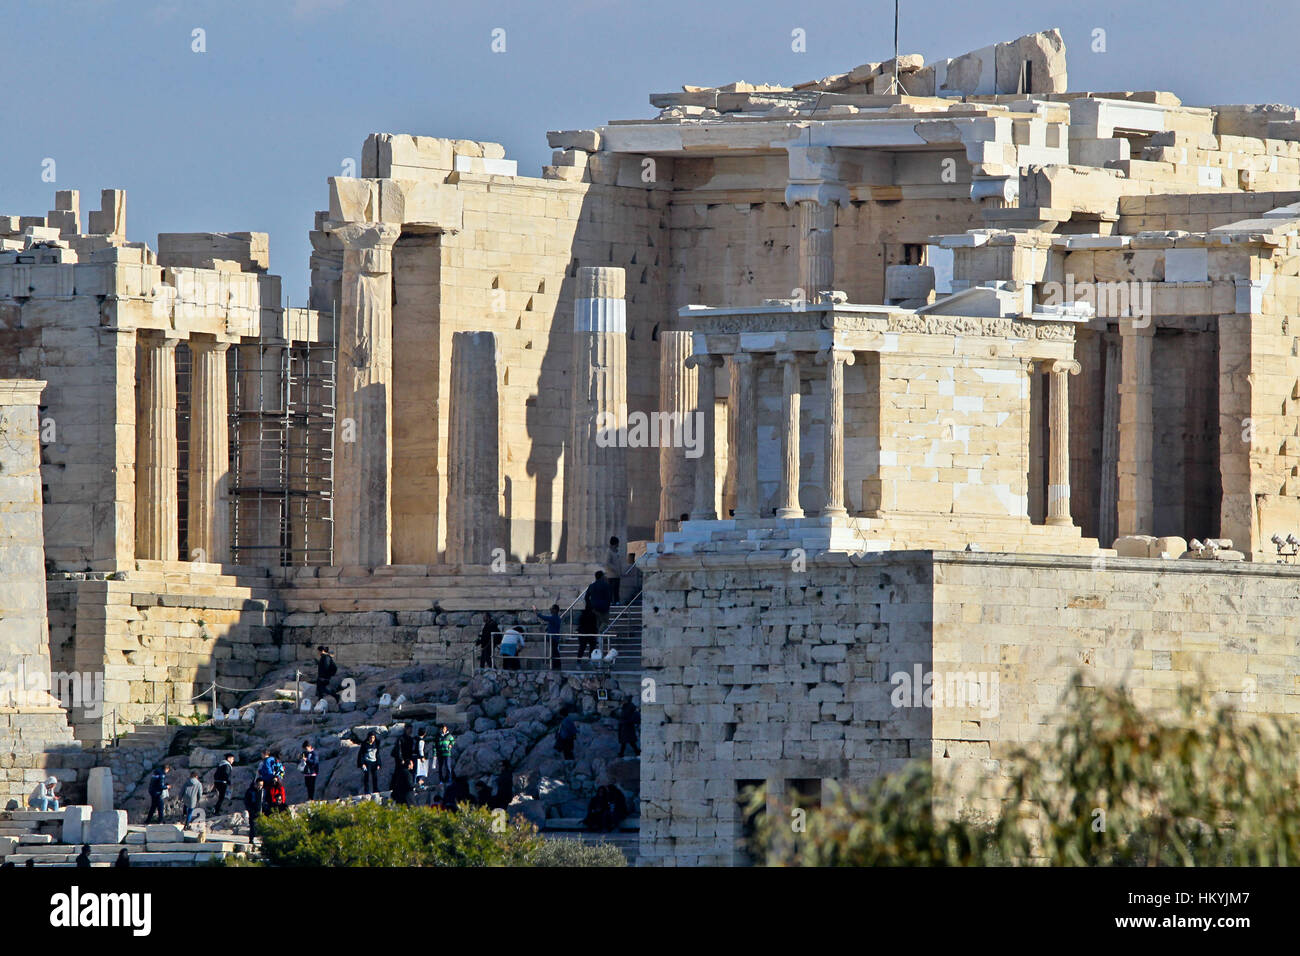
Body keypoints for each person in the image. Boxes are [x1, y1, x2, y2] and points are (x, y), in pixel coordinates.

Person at [534, 603, 564, 671]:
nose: (550, 609)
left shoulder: (554, 617)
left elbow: (544, 618)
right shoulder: (556, 618)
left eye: (552, 608)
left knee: (554, 652)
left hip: (553, 638)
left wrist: (537, 612)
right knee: (554, 652)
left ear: (555, 610)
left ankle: (555, 666)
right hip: (554, 638)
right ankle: (556, 665)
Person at [604, 537, 623, 604]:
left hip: (617, 575)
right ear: (615, 543)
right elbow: (607, 563)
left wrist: (620, 571)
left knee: (616, 589)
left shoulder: (617, 551)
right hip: (610, 575)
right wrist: (615, 569)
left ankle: (617, 601)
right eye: (617, 543)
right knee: (610, 590)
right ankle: (611, 602)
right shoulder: (609, 552)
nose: (618, 544)